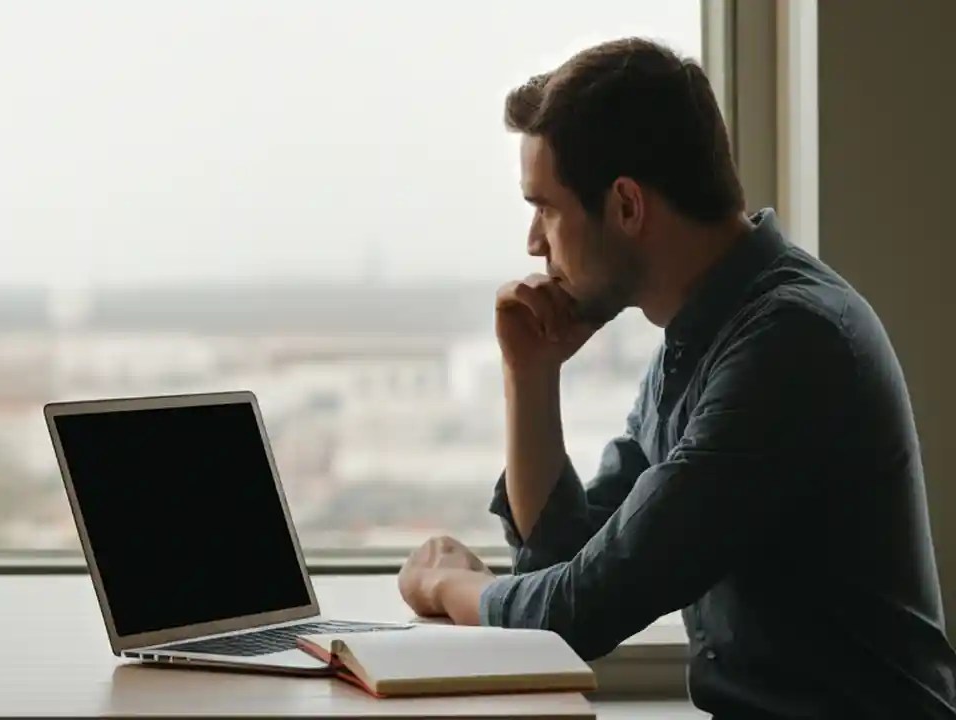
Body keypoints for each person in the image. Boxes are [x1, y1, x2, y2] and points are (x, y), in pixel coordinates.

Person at [395, 37, 956, 717]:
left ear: (627, 206)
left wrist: (451, 587)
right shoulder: (702, 338)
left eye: (545, 207)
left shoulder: (790, 345)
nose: (534, 244)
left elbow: (585, 609)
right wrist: (530, 376)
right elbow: (569, 556)